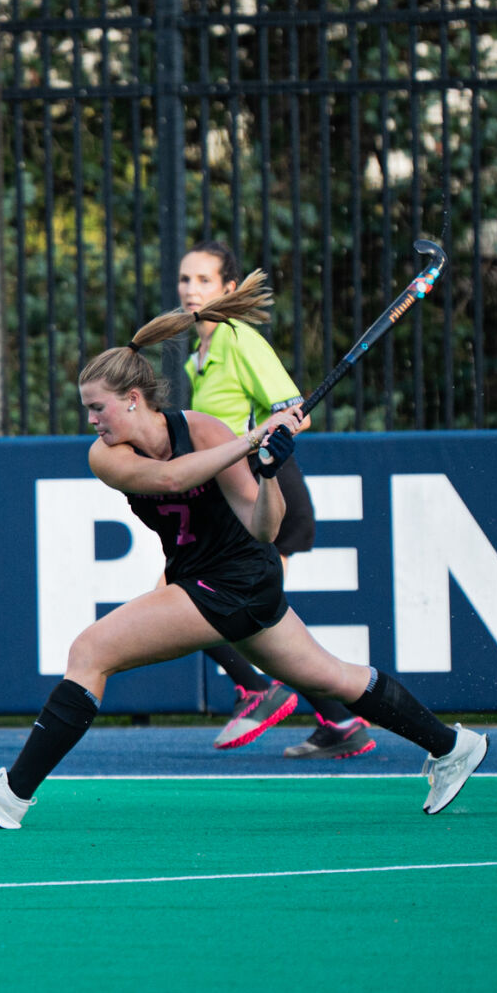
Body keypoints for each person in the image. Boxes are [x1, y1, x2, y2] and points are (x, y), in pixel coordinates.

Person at [0, 273, 487, 829]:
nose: (91, 420)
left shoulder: (202, 430)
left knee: (91, 651)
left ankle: (13, 793)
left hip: (239, 578)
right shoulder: (107, 457)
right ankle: (452, 746)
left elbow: (265, 528)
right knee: (333, 679)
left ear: (132, 400)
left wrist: (268, 473)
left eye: (97, 407)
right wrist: (250, 440)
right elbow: (172, 480)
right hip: (204, 578)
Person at [177, 240, 377, 760]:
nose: (191, 289)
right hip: (237, 500)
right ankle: (339, 722)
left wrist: (259, 439)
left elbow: (296, 413)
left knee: (202, 601)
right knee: (252, 618)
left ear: (227, 288)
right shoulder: (198, 357)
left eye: (203, 280)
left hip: (269, 494)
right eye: (185, 280)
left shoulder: (239, 338)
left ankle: (259, 689)